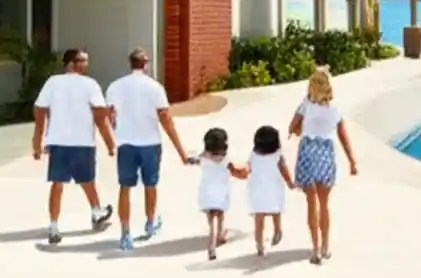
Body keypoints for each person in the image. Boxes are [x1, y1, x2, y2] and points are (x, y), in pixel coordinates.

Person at [105, 48, 192, 250]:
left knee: (125, 187)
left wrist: (116, 133)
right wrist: (182, 152)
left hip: (126, 143)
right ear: (146, 64)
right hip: (150, 143)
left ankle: (125, 233)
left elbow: (110, 114)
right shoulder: (155, 87)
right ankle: (150, 223)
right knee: (150, 185)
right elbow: (166, 119)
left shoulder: (115, 86)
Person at [32, 48, 116, 245]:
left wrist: (38, 140)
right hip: (82, 141)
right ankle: (95, 212)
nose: (85, 64)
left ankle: (56, 224)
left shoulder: (52, 83)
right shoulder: (90, 85)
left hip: (59, 141)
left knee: (59, 183)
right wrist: (110, 143)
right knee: (85, 180)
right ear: (70, 62)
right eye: (81, 60)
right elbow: (100, 117)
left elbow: (40, 110)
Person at [288, 67, 357, 265]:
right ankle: (326, 246)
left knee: (312, 203)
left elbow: (292, 126)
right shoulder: (335, 108)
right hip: (326, 152)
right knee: (324, 203)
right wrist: (352, 161)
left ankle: (316, 249)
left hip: (308, 151)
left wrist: (302, 129)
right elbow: (343, 136)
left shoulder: (306, 104)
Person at [192, 127, 248, 260]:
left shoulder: (203, 157)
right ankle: (220, 235)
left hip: (206, 192)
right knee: (220, 214)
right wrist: (246, 172)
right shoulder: (226, 159)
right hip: (221, 192)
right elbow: (236, 171)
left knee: (211, 216)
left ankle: (212, 238)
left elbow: (193, 160)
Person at [246, 125, 295, 257]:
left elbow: (247, 168)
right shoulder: (278, 155)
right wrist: (290, 183)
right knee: (275, 210)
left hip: (257, 189)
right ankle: (277, 231)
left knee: (259, 218)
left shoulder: (253, 155)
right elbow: (284, 170)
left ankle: (260, 245)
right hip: (274, 187)